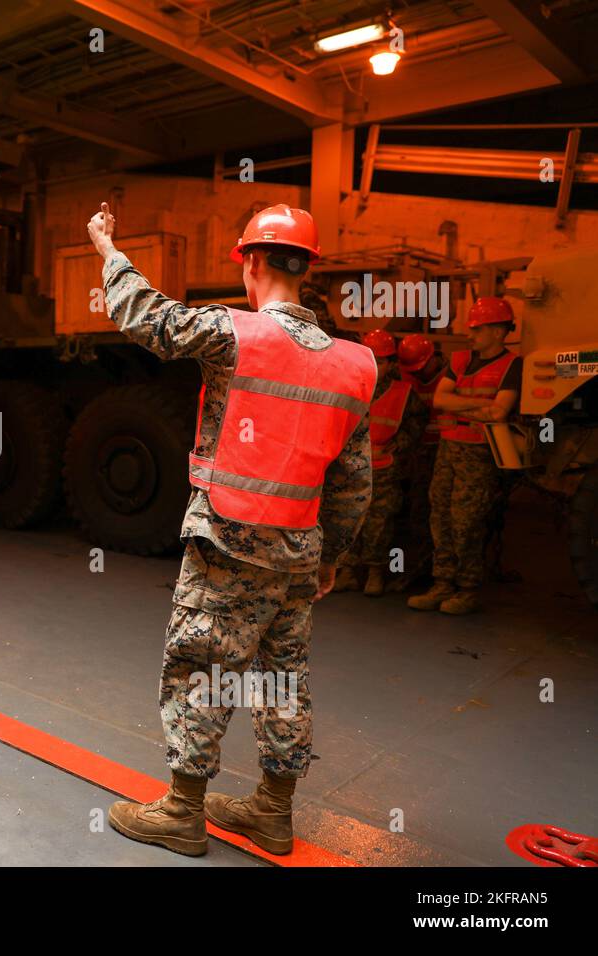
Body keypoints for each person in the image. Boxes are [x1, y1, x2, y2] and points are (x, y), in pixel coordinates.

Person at [89, 202, 375, 856]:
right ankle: (273, 812)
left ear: (250, 262)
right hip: (300, 552)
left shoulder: (235, 333)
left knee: (202, 665)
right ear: (307, 269)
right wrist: (331, 556)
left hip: (228, 542)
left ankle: (183, 812)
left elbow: (146, 319)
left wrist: (107, 248)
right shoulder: (355, 365)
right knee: (282, 677)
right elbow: (356, 481)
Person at [408, 296, 521, 615]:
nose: (471, 334)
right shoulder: (459, 360)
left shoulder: (513, 365)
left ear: (498, 332)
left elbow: (500, 412)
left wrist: (463, 402)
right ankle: (442, 584)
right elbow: (441, 400)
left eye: (478, 328)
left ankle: (467, 589)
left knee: (466, 521)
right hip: (449, 447)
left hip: (479, 453)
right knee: (440, 515)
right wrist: (477, 407)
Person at [334, 331, 426, 596]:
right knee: (349, 520)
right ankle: (348, 571)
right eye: (370, 359)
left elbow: (417, 423)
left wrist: (403, 442)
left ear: (392, 364)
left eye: (382, 361)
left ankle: (376, 572)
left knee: (380, 523)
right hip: (349, 470)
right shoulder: (348, 387)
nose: (375, 366)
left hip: (385, 470)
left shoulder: (404, 393)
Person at [396, 333, 450, 585]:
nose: (418, 374)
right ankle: (416, 570)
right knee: (415, 515)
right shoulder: (407, 380)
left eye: (421, 368)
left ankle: (437, 572)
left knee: (440, 516)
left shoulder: (451, 378)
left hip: (447, 454)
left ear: (434, 359)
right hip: (417, 457)